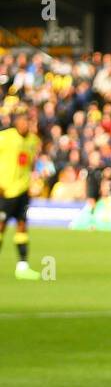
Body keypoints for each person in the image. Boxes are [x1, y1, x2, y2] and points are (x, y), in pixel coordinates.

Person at [0, 109, 42, 280]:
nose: (25, 125)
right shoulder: (5, 137)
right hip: (5, 190)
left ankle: (22, 267)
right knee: (1, 227)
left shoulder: (33, 140)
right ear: (16, 122)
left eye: (28, 122)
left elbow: (30, 163)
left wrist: (33, 181)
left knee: (22, 226)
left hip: (23, 191)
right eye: (23, 121)